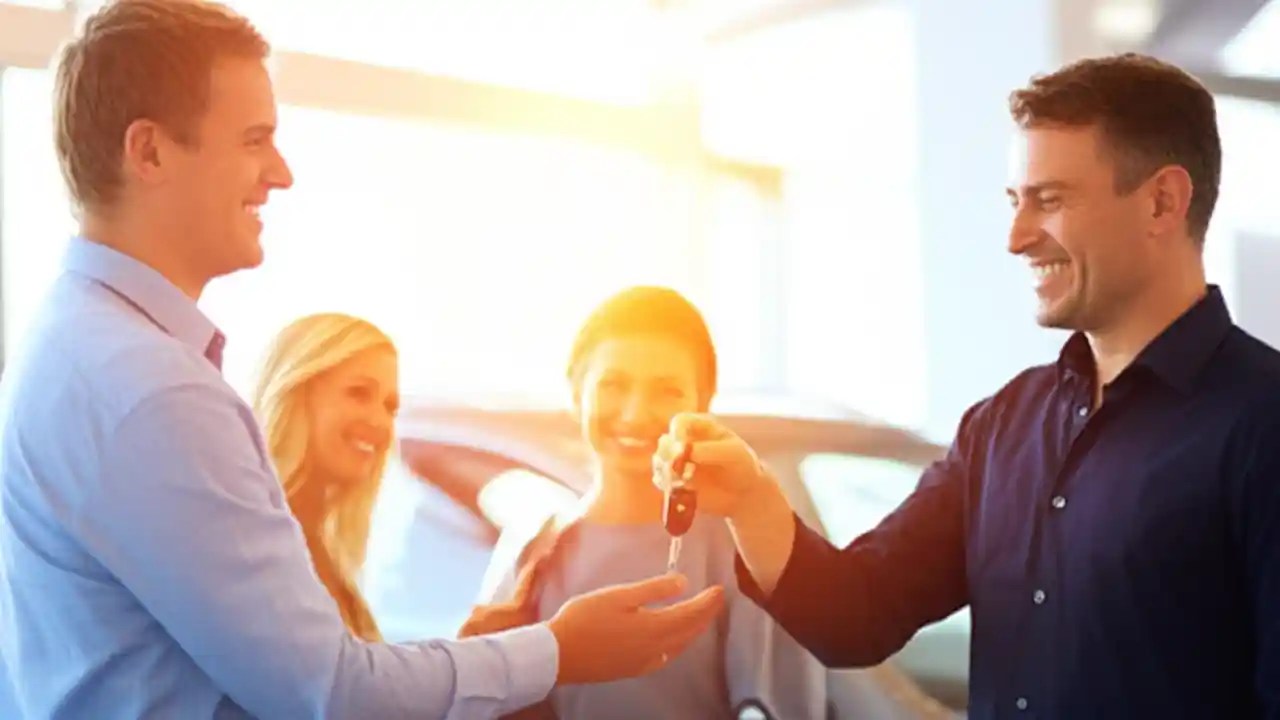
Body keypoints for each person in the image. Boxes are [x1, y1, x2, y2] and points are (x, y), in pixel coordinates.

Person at [0, 1, 722, 718]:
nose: (279, 173)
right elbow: (334, 694)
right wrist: (558, 650)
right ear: (150, 152)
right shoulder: (153, 392)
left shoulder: (62, 346)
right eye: (255, 140)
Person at [655, 53, 1280, 718]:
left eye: (1051, 200)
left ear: (1162, 202)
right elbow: (858, 612)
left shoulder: (1263, 423)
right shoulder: (1005, 424)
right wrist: (750, 499)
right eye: (1015, 201)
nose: (1016, 237)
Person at [467, 286, 827, 719]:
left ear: (702, 404)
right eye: (613, 384)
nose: (636, 413)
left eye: (667, 391)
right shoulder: (534, 547)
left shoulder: (744, 547)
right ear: (576, 393)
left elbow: (782, 707)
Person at [250, 313, 401, 642]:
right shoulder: (260, 539)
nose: (380, 421)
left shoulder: (322, 543)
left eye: (390, 406)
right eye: (359, 393)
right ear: (297, 393)